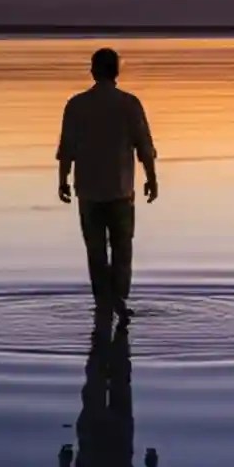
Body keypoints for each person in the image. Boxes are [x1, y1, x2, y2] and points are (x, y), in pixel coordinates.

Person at [57, 48, 158, 322]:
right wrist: (151, 178)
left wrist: (62, 180)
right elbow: (144, 146)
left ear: (93, 71)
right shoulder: (129, 104)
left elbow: (67, 149)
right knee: (122, 249)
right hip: (121, 191)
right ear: (117, 71)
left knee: (96, 251)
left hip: (89, 192)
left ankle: (103, 304)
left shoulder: (76, 105)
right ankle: (118, 299)